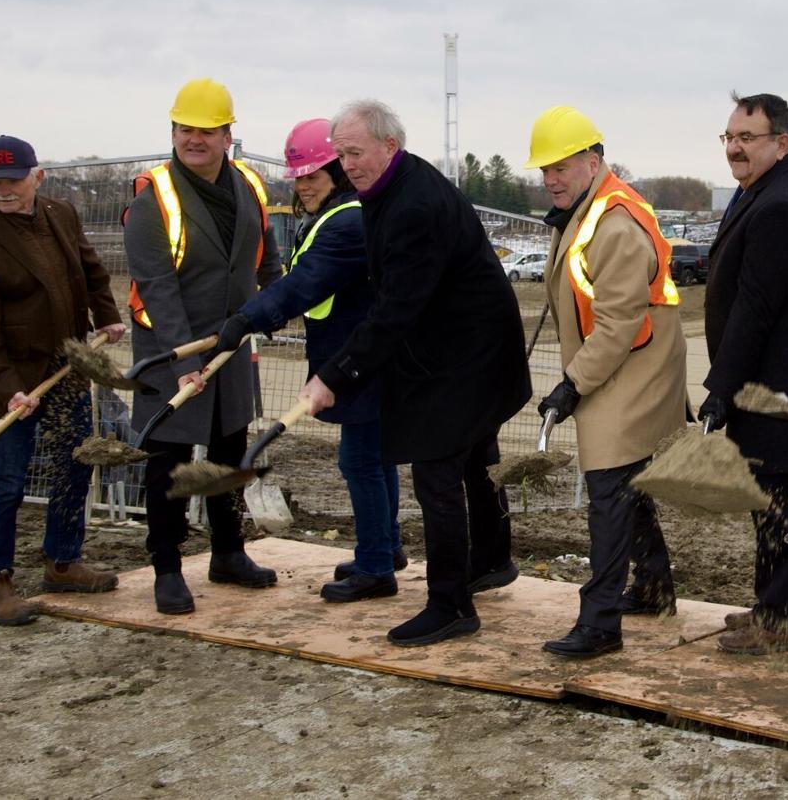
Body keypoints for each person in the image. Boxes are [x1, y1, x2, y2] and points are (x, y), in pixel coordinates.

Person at [300, 100, 529, 648]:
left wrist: (335, 374)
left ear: (388, 147)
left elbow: (396, 309)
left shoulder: (413, 207)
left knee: (437, 474)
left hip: (466, 354)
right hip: (471, 346)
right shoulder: (395, 185)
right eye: (341, 154)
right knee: (474, 459)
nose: (346, 164)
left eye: (355, 153)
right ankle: (493, 559)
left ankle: (450, 605)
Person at [213, 119, 402, 603]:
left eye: (312, 176)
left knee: (359, 460)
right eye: (297, 178)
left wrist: (248, 317)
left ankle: (377, 566)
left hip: (359, 362)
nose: (303, 186)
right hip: (361, 357)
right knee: (374, 459)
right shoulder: (340, 214)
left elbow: (306, 283)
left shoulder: (347, 222)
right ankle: (384, 548)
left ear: (338, 172)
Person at [525, 106, 686, 658]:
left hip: (633, 367)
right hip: (627, 363)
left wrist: (572, 385)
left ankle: (599, 623)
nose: (550, 179)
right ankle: (654, 586)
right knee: (629, 485)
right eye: (545, 170)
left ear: (593, 161)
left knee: (608, 493)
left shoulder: (613, 224)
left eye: (562, 167)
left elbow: (619, 324)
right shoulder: (587, 211)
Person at [0, 135, 126, 625]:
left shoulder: (60, 214)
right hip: (10, 384)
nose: (3, 191)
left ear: (37, 176)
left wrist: (106, 314)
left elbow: (89, 269)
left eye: (12, 180)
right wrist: (9, 389)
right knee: (7, 480)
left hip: (66, 368)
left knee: (75, 464)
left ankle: (62, 561)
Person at [123, 79, 283, 615]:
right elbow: (157, 288)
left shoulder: (248, 187)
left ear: (227, 135)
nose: (195, 140)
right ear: (173, 132)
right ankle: (166, 568)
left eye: (207, 131)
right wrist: (186, 364)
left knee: (226, 454)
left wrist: (278, 302)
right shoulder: (155, 198)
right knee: (167, 465)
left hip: (230, 347)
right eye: (186, 129)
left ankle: (227, 552)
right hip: (171, 352)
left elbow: (265, 259)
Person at [701, 91, 788, 655]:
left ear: (782, 143)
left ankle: (782, 619)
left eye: (747, 138)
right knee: (772, 498)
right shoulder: (766, 190)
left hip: (779, 386)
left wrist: (720, 388)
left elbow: (756, 305)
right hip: (771, 383)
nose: (735, 149)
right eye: (730, 137)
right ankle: (783, 608)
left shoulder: (783, 203)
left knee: (783, 500)